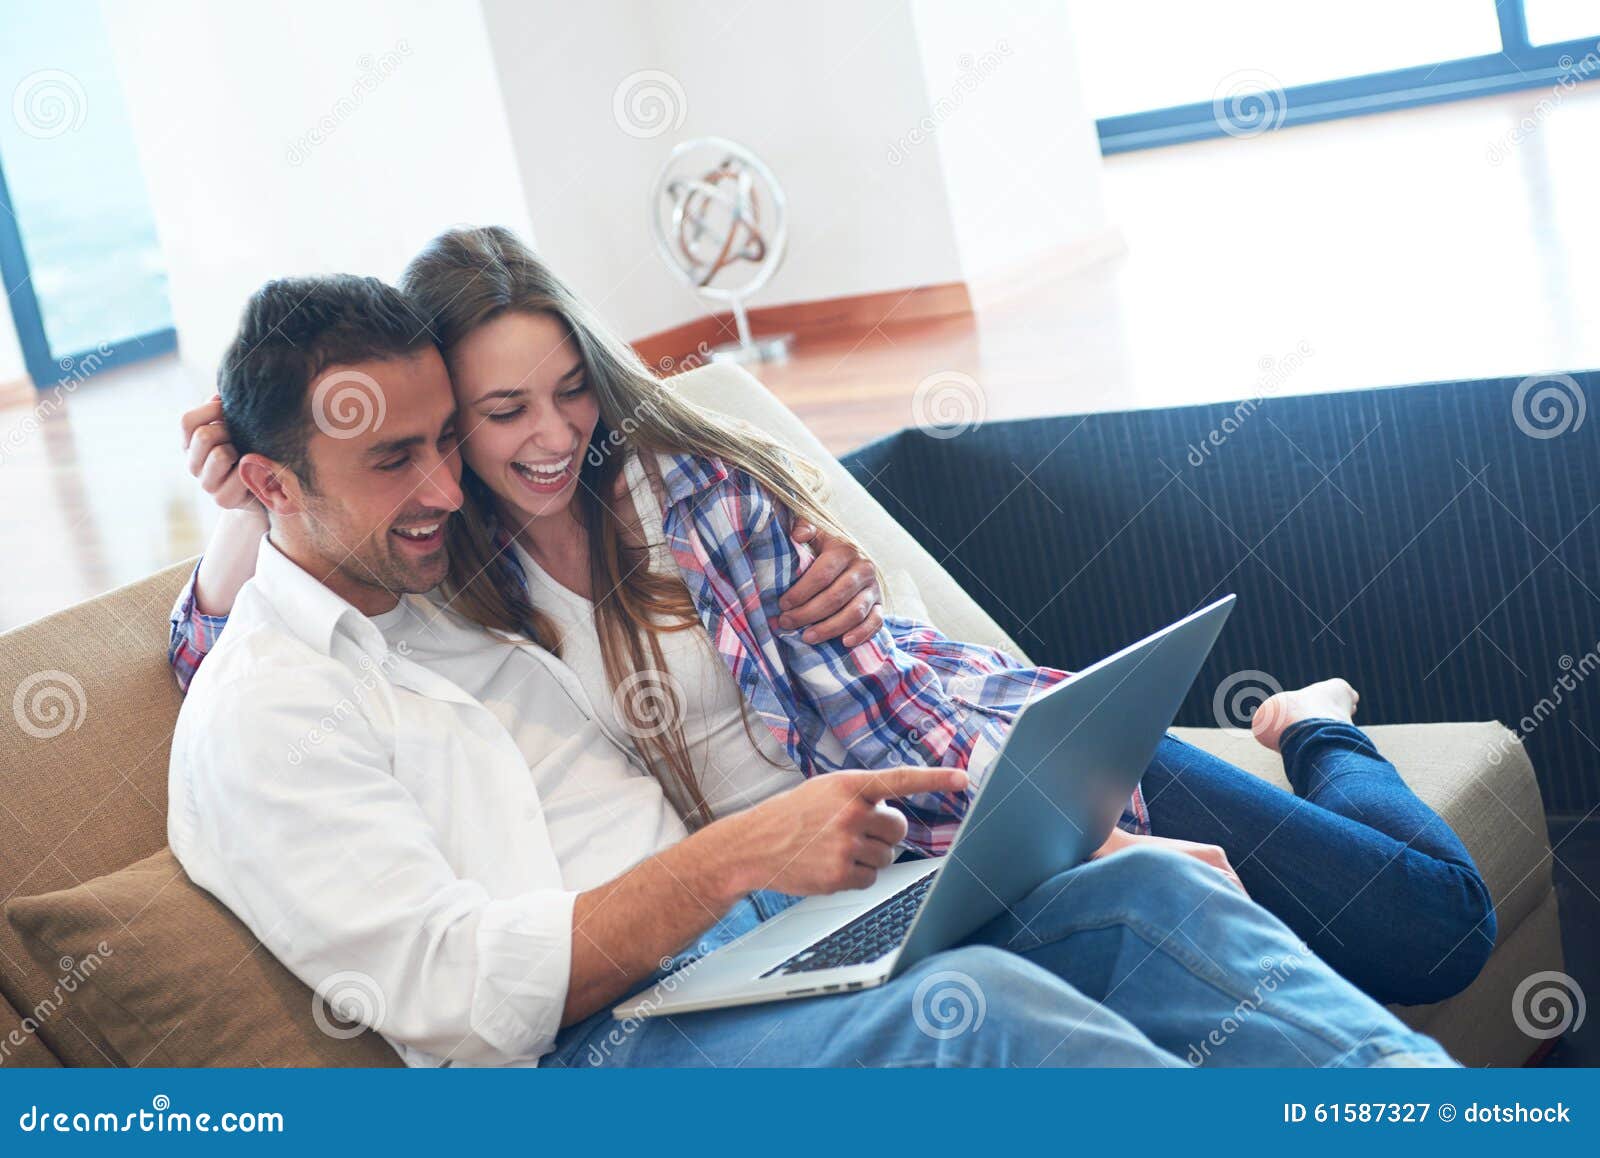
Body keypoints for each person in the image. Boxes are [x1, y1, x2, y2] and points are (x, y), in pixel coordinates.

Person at [172, 226, 1495, 1008]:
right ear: (443, 425)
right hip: (868, 869)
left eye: (571, 389)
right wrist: (246, 491)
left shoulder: (680, 484)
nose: (554, 433)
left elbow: (871, 702)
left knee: (1435, 925)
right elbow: (233, 649)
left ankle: (1316, 728)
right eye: (501, 412)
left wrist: (1082, 838)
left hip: (1000, 753)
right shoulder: (442, 579)